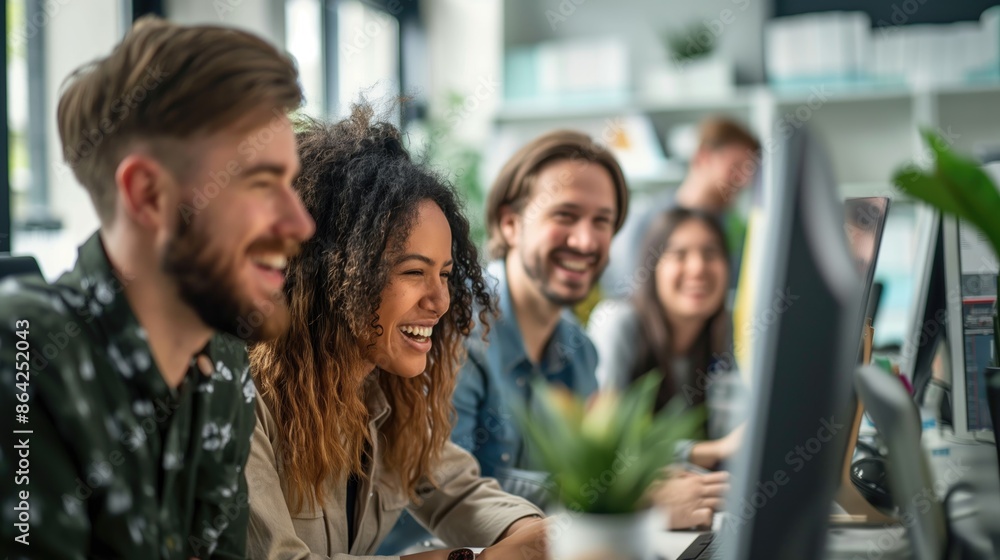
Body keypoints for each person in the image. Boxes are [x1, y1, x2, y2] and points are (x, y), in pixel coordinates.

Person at [0, 16, 315, 559]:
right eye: (262, 184)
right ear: (147, 195)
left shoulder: (221, 366)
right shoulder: (23, 352)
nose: (300, 224)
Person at [245, 106, 546, 560]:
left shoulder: (388, 392)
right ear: (334, 277)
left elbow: (462, 492)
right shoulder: (242, 400)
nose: (440, 301)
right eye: (413, 272)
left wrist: (532, 532)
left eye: (444, 274)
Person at [588, 208, 746, 476]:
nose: (698, 268)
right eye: (679, 255)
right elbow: (601, 445)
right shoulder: (616, 322)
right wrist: (711, 451)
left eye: (711, 253)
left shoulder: (727, 329)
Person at [602, 116, 760, 299]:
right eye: (737, 167)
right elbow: (623, 291)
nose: (745, 180)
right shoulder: (647, 221)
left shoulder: (733, 228)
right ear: (703, 158)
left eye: (750, 171)